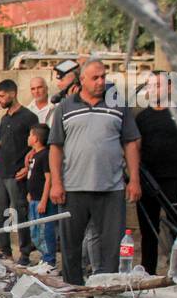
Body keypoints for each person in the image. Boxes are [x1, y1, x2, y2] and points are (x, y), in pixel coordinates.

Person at [48, 60, 142, 286]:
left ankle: (105, 289)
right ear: (82, 81)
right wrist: (56, 183)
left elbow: (131, 143)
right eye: (95, 78)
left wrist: (135, 180)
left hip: (111, 189)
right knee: (70, 246)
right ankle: (73, 290)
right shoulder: (65, 107)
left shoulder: (118, 105)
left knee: (111, 246)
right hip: (73, 189)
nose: (101, 82)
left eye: (103, 77)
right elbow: (55, 147)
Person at [135, 70, 177, 277]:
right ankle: (148, 276)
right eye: (150, 86)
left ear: (170, 87)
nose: (154, 90)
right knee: (148, 233)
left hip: (175, 181)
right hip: (148, 183)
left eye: (158, 85)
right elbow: (135, 150)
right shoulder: (142, 117)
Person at [0, 79, 38, 264]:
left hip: (16, 173)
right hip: (0, 172)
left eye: (2, 96)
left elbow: (36, 144)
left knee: (20, 213)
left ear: (12, 93)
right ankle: (5, 250)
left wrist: (27, 167)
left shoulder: (29, 117)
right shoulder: (4, 118)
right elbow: (5, 142)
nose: (0, 100)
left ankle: (25, 253)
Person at [25, 124, 58, 271]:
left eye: (30, 135)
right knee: (35, 232)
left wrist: (44, 200)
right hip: (34, 199)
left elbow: (48, 179)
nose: (28, 138)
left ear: (36, 138)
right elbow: (33, 176)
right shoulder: (35, 155)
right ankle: (43, 257)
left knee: (46, 231)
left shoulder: (45, 155)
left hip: (42, 201)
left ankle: (49, 261)